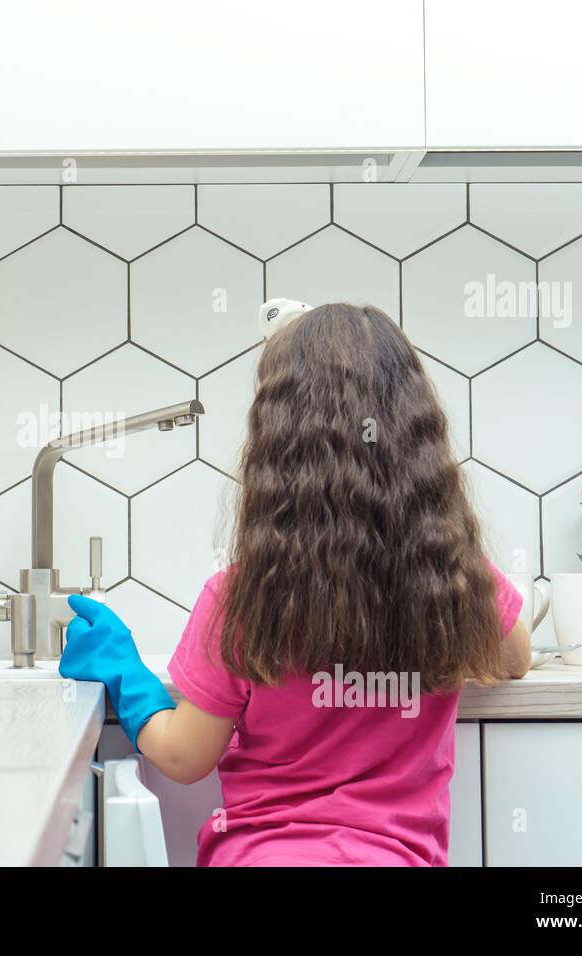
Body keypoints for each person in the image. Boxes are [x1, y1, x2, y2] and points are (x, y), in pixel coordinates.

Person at [60, 302, 531, 866]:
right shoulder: (450, 575)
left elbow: (185, 757)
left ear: (276, 446)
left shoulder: (242, 599)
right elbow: (514, 657)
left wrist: (125, 672)